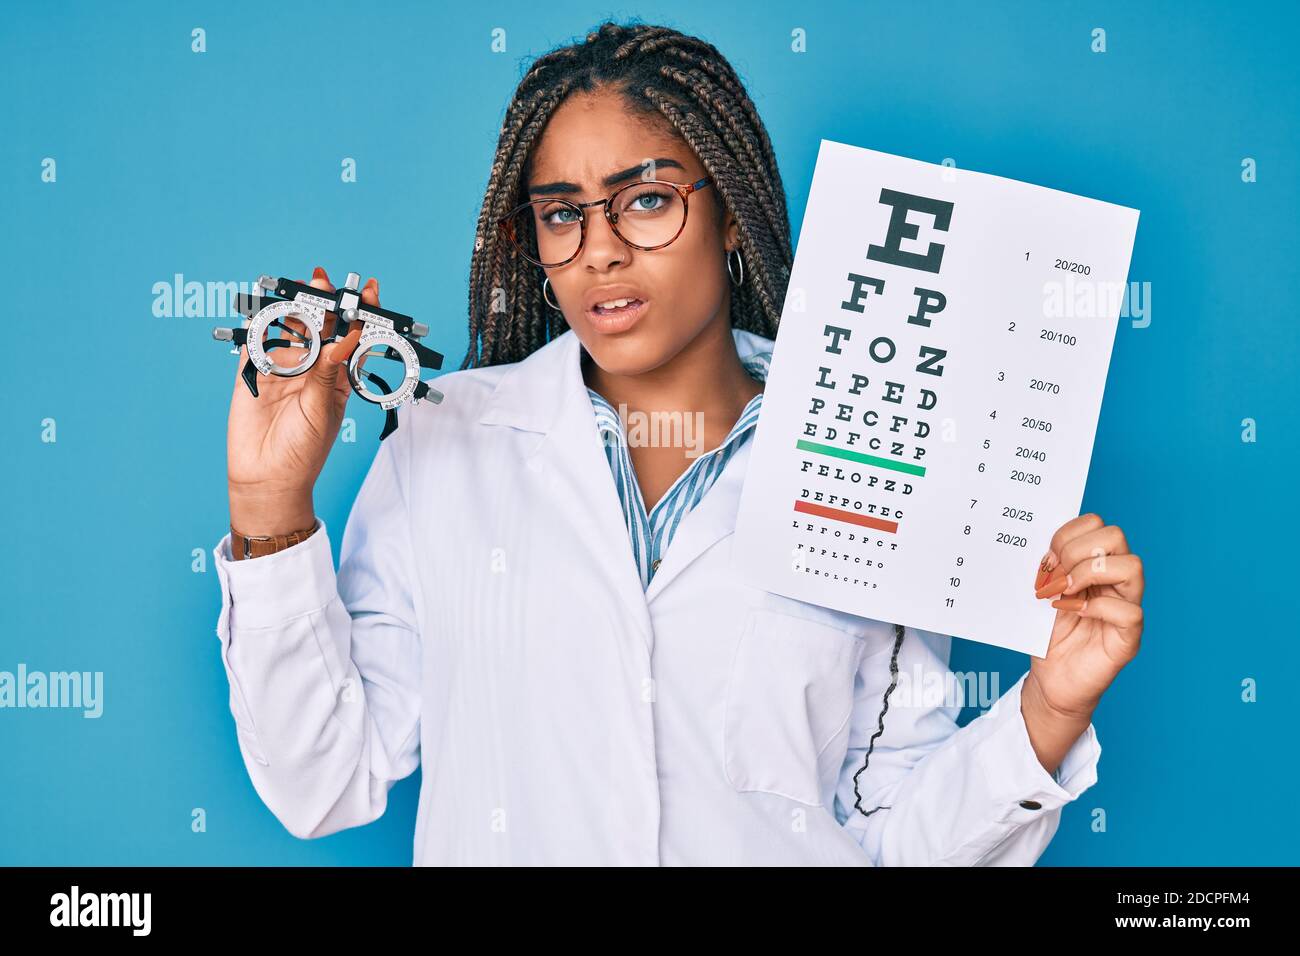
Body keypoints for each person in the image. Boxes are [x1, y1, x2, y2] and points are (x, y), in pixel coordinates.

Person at [212, 20, 1145, 866]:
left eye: (647, 201)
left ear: (731, 210)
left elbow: (890, 836)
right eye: (563, 213)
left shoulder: (869, 458)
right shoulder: (441, 446)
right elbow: (324, 783)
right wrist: (268, 512)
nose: (603, 251)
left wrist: (1048, 711)